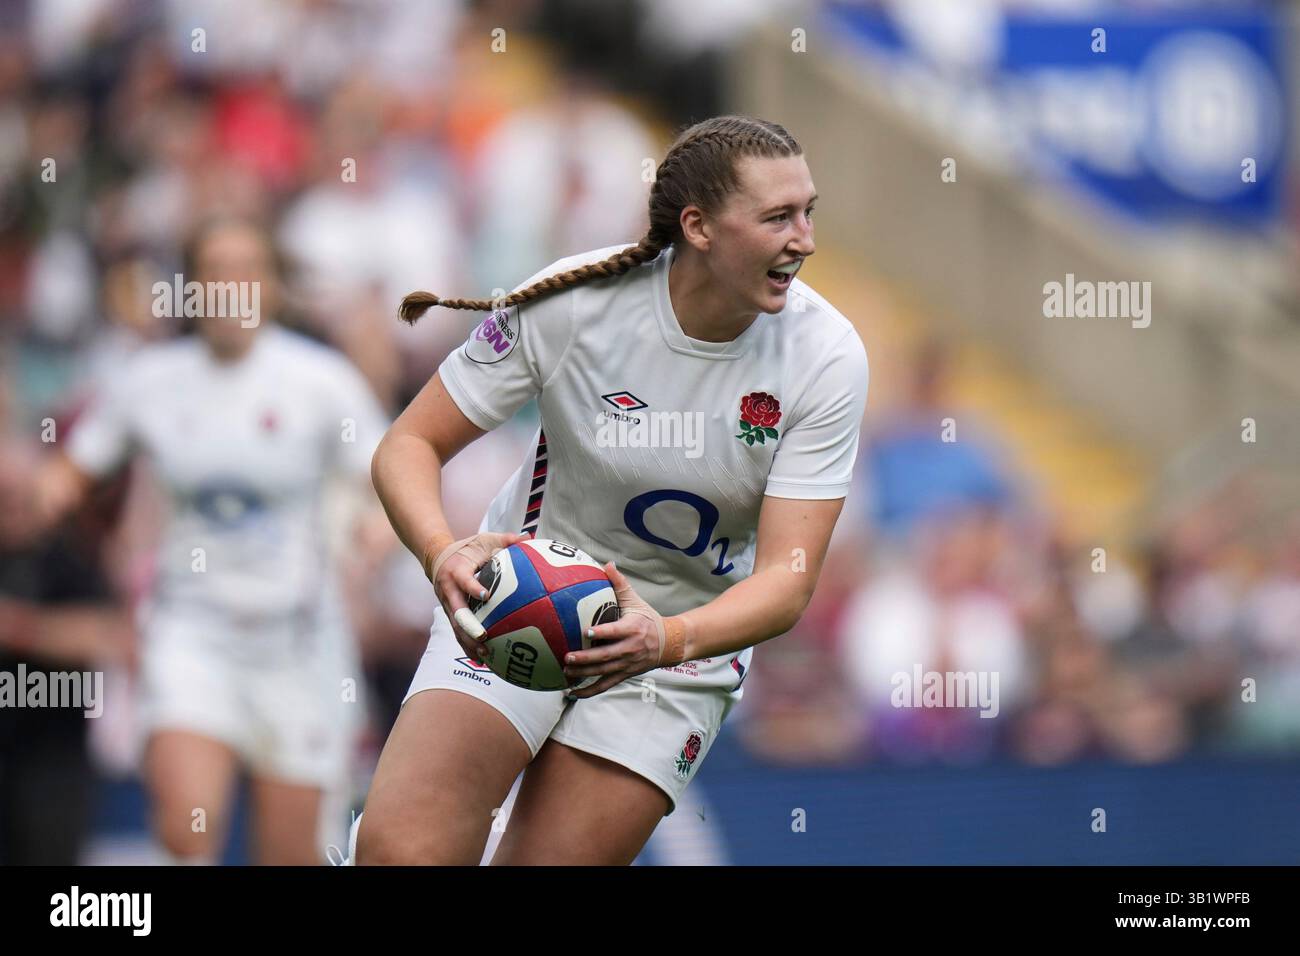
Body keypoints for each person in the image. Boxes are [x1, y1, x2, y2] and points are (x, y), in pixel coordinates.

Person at [356, 115, 870, 865]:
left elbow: (788, 583)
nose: (805, 239)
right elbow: (409, 443)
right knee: (399, 855)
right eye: (777, 217)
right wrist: (441, 553)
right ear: (698, 226)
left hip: (676, 652)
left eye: (808, 212)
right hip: (519, 607)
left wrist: (666, 638)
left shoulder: (826, 358)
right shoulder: (576, 302)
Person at [30, 217, 390, 864]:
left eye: (248, 269)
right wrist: (54, 488)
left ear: (273, 285)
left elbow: (387, 479)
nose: (233, 286)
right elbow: (77, 465)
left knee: (290, 853)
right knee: (186, 830)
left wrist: (376, 528)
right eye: (216, 271)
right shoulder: (151, 380)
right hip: (192, 632)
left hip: (298, 642)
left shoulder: (321, 381)